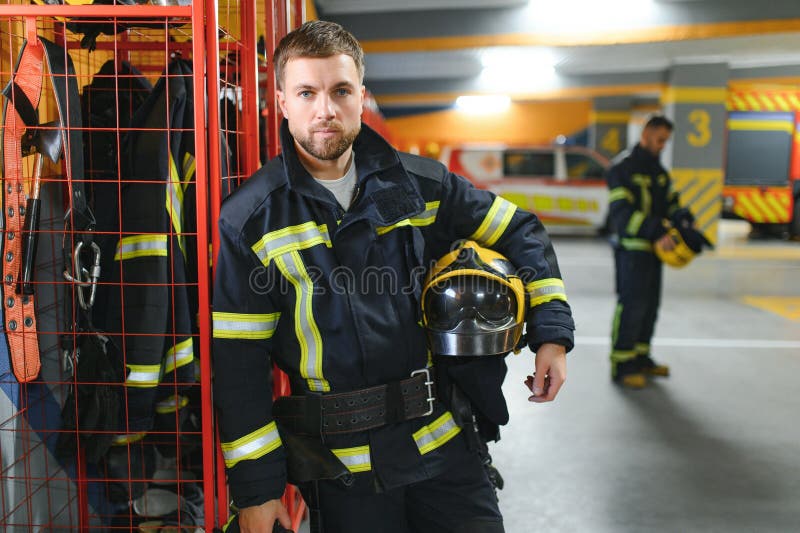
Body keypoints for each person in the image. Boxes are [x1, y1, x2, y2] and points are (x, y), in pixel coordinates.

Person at [211, 20, 575, 533]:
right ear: (283, 101)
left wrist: (552, 336)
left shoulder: (422, 185)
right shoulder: (250, 220)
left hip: (446, 453)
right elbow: (238, 365)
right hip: (342, 476)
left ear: (361, 95)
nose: (325, 110)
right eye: (307, 92)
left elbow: (520, 230)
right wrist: (258, 492)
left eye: (340, 91)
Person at [606, 115, 683, 389]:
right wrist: (657, 230)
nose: (663, 146)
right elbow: (622, 215)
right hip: (631, 252)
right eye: (660, 139)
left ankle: (640, 357)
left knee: (650, 307)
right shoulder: (622, 169)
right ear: (647, 134)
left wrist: (683, 219)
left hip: (654, 253)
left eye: (666, 141)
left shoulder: (658, 171)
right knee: (631, 306)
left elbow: (671, 203)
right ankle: (621, 364)